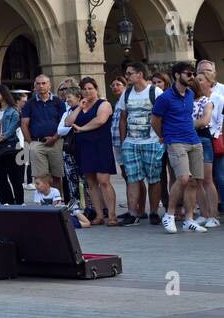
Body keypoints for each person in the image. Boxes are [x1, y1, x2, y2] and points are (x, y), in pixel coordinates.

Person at [153, 62, 206, 234]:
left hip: (193, 140)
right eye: (188, 74)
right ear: (177, 75)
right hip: (175, 141)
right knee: (183, 178)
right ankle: (169, 214)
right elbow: (155, 121)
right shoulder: (165, 98)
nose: (192, 77)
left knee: (194, 181)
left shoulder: (190, 93)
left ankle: (189, 219)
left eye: (193, 73)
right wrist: (163, 136)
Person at [65, 77, 118, 224]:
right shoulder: (80, 105)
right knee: (91, 181)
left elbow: (100, 120)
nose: (87, 91)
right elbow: (68, 122)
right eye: (84, 89)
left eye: (90, 88)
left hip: (101, 146)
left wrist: (82, 128)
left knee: (104, 180)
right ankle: (99, 215)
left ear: (96, 89)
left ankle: (112, 215)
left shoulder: (104, 104)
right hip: (84, 147)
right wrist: (79, 108)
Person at [117, 61, 163, 225]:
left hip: (152, 141)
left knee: (153, 178)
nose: (127, 76)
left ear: (140, 74)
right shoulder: (127, 93)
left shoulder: (155, 91)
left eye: (130, 73)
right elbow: (123, 118)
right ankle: (132, 212)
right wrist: (124, 141)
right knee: (132, 178)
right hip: (131, 142)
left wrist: (160, 137)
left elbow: (162, 115)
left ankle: (154, 212)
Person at [20, 74, 65, 201]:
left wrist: (55, 138)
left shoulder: (58, 102)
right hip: (37, 143)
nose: (41, 86)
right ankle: (42, 205)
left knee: (57, 176)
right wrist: (31, 143)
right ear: (34, 87)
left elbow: (64, 123)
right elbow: (24, 124)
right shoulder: (30, 104)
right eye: (38, 84)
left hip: (56, 141)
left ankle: (58, 202)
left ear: (49, 85)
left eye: (44, 83)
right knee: (40, 177)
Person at [193, 68, 222, 228]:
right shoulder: (191, 99)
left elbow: (208, 121)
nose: (197, 81)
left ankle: (213, 214)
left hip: (207, 137)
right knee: (196, 180)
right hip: (191, 139)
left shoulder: (213, 99)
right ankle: (203, 213)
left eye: (201, 79)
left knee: (208, 179)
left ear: (210, 82)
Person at [0, 84, 24, 206]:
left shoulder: (14, 111)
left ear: (4, 93)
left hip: (12, 148)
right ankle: (7, 202)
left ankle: (19, 203)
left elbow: (10, 131)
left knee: (15, 179)